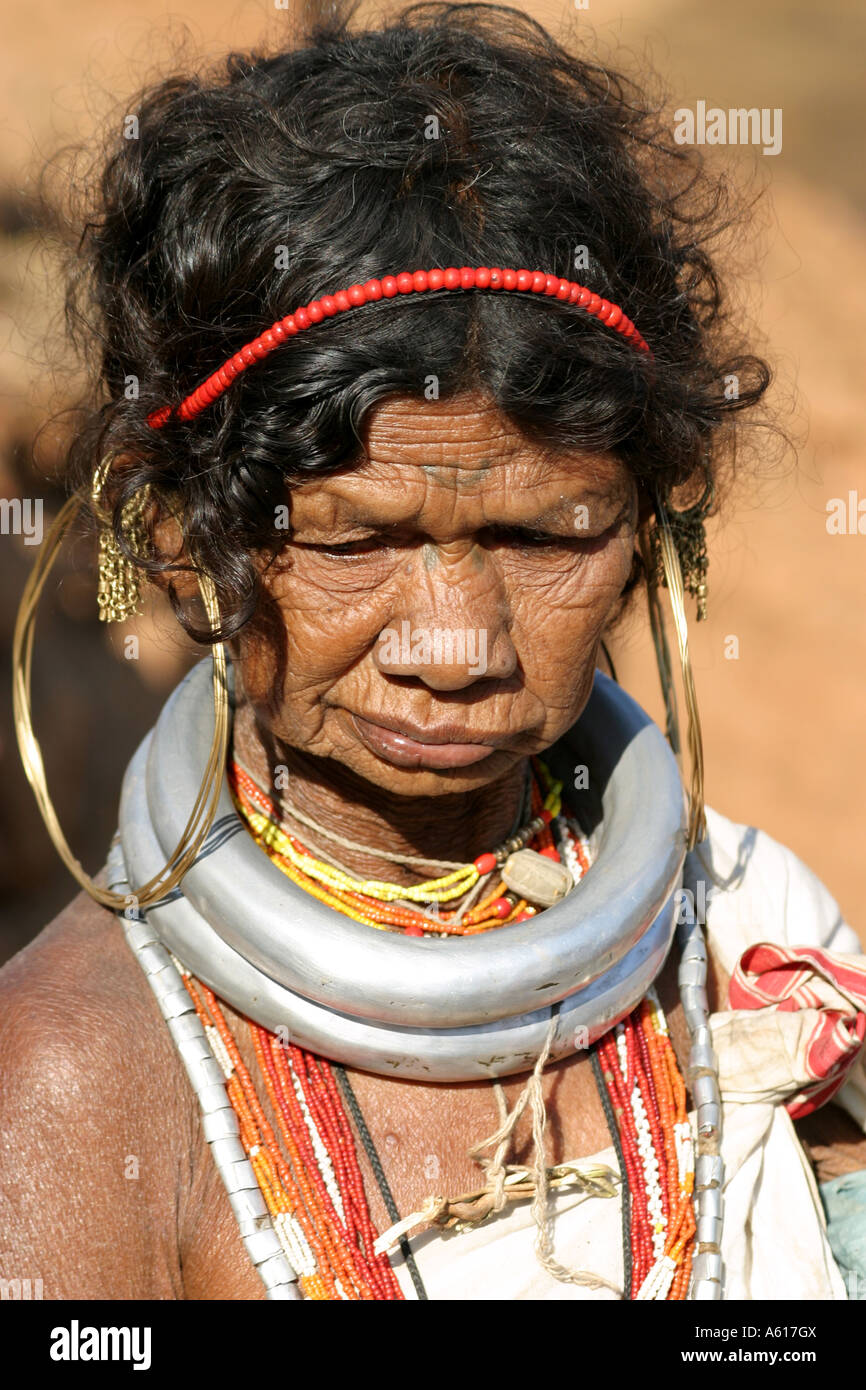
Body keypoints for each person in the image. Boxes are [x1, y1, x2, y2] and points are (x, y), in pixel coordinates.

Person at [2, 1, 865, 1302]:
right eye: (356, 543)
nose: (456, 643)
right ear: (179, 532)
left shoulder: (750, 938)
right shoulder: (78, 1083)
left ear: (649, 517)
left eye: (539, 537)